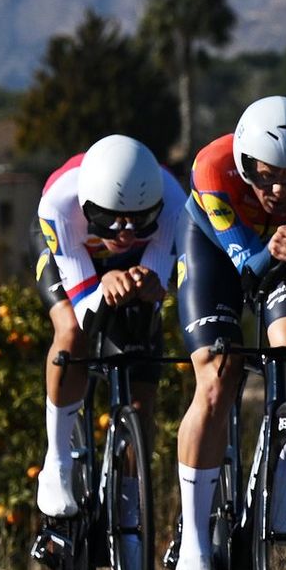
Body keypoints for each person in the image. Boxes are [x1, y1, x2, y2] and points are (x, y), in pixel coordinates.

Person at [168, 96, 286, 570]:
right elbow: (246, 263)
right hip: (218, 252)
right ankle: (193, 541)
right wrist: (276, 247)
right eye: (265, 177)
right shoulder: (212, 168)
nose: (281, 189)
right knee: (217, 375)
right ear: (243, 165)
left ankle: (283, 468)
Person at [33, 135, 188, 521]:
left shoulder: (173, 201)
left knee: (141, 384)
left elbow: (156, 288)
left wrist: (151, 285)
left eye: (140, 220)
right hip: (71, 258)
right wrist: (102, 286)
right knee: (71, 331)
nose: (125, 233)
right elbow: (85, 309)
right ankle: (57, 461)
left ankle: (129, 503)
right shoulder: (59, 202)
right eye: (112, 220)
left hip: (134, 266)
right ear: (88, 206)